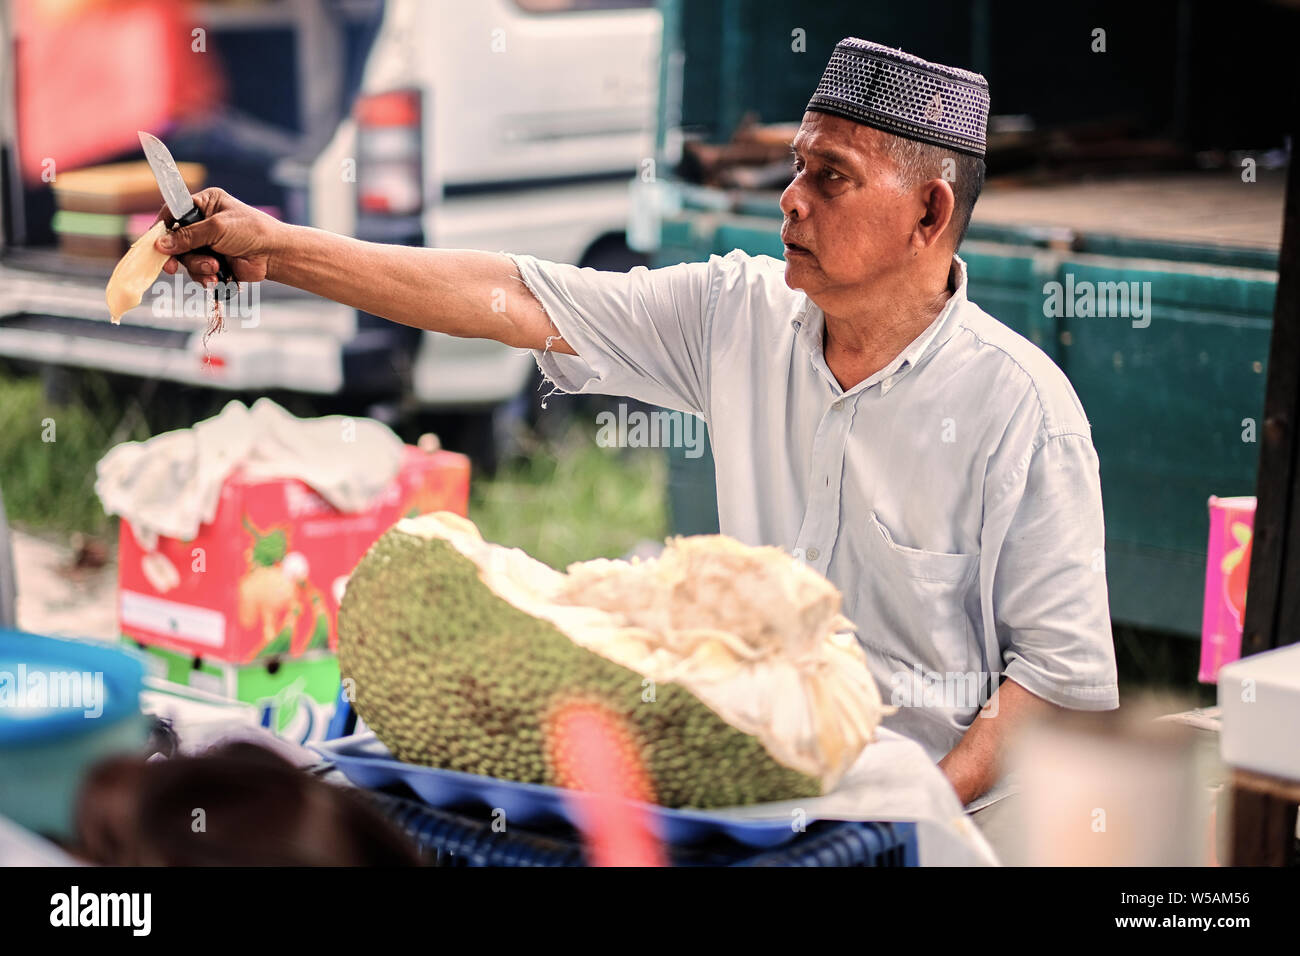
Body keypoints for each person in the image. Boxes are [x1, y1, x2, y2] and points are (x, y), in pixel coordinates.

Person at [153, 38, 1121, 860]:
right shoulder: (741, 311)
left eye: (831, 177)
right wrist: (281, 251)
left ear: (928, 216)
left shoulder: (1021, 410)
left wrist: (889, 816)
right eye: (796, 166)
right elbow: (518, 296)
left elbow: (1055, 682)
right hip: (742, 804)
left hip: (916, 835)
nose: (791, 199)